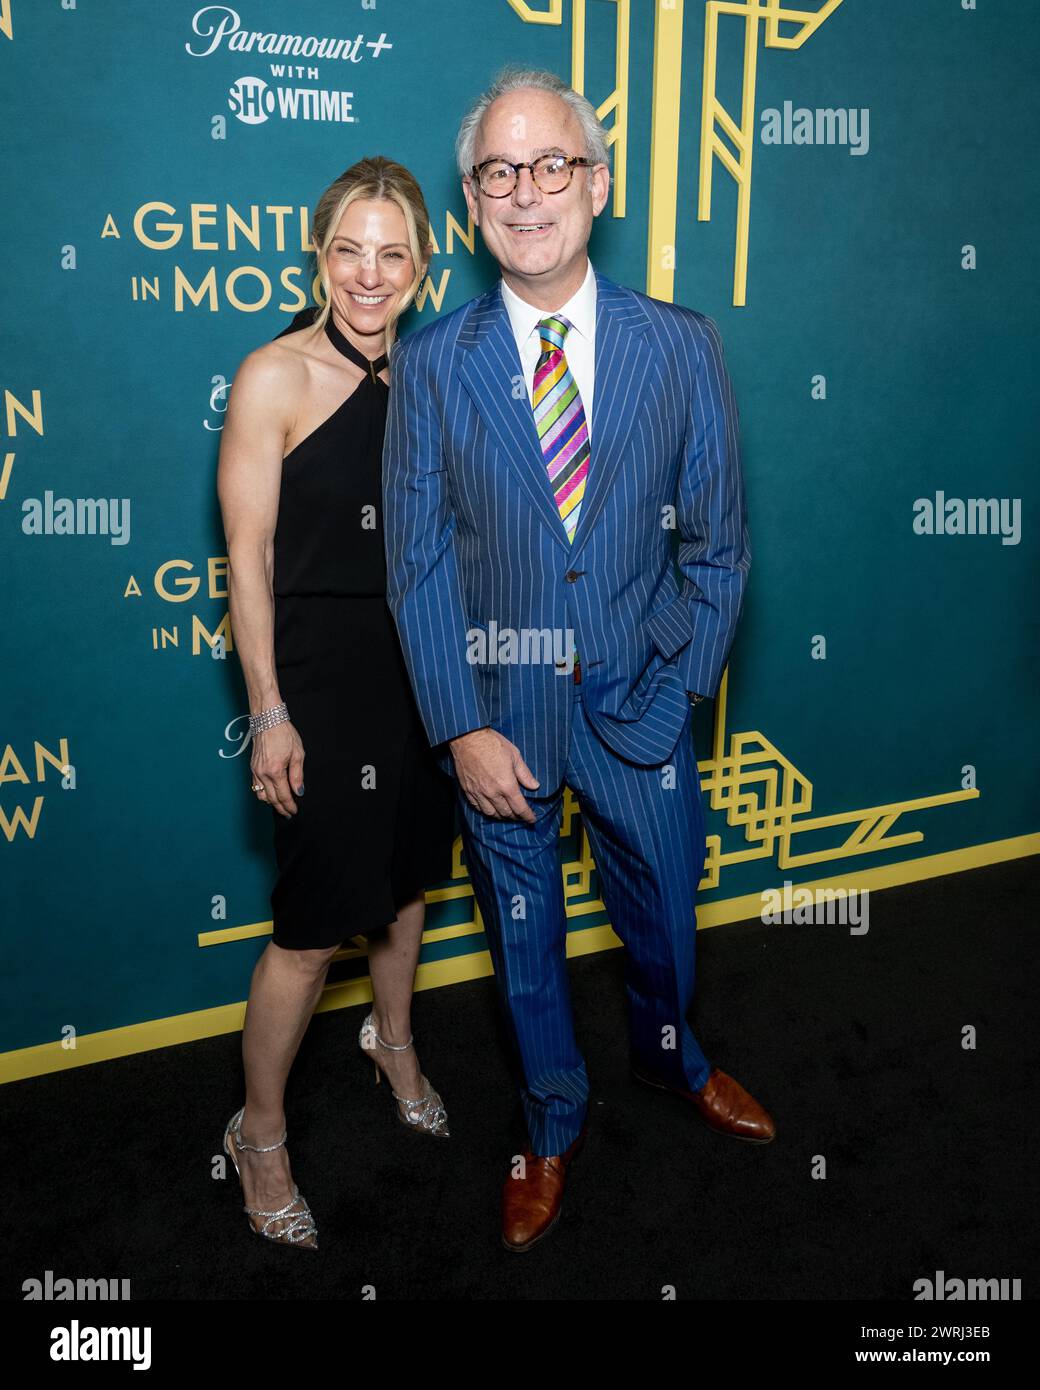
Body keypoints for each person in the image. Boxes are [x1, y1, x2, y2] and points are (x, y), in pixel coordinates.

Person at [383, 67, 774, 1253]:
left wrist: (668, 701)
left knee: (663, 916)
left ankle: (670, 1055)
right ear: (470, 203)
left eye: (550, 164)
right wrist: (460, 727)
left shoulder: (683, 347)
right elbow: (416, 567)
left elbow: (717, 551)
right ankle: (548, 1120)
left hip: (638, 713)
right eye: (498, 172)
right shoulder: (435, 364)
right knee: (524, 940)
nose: (526, 191)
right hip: (497, 726)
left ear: (596, 183)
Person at [216, 156, 457, 1251]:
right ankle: (257, 1131)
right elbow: (247, 558)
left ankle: (392, 1040)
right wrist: (268, 709)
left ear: (420, 264)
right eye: (348, 251)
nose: (369, 273)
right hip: (319, 680)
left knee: (405, 888)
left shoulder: (435, 371)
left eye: (391, 252)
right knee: (311, 933)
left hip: (421, 677)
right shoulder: (275, 374)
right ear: (319, 257)